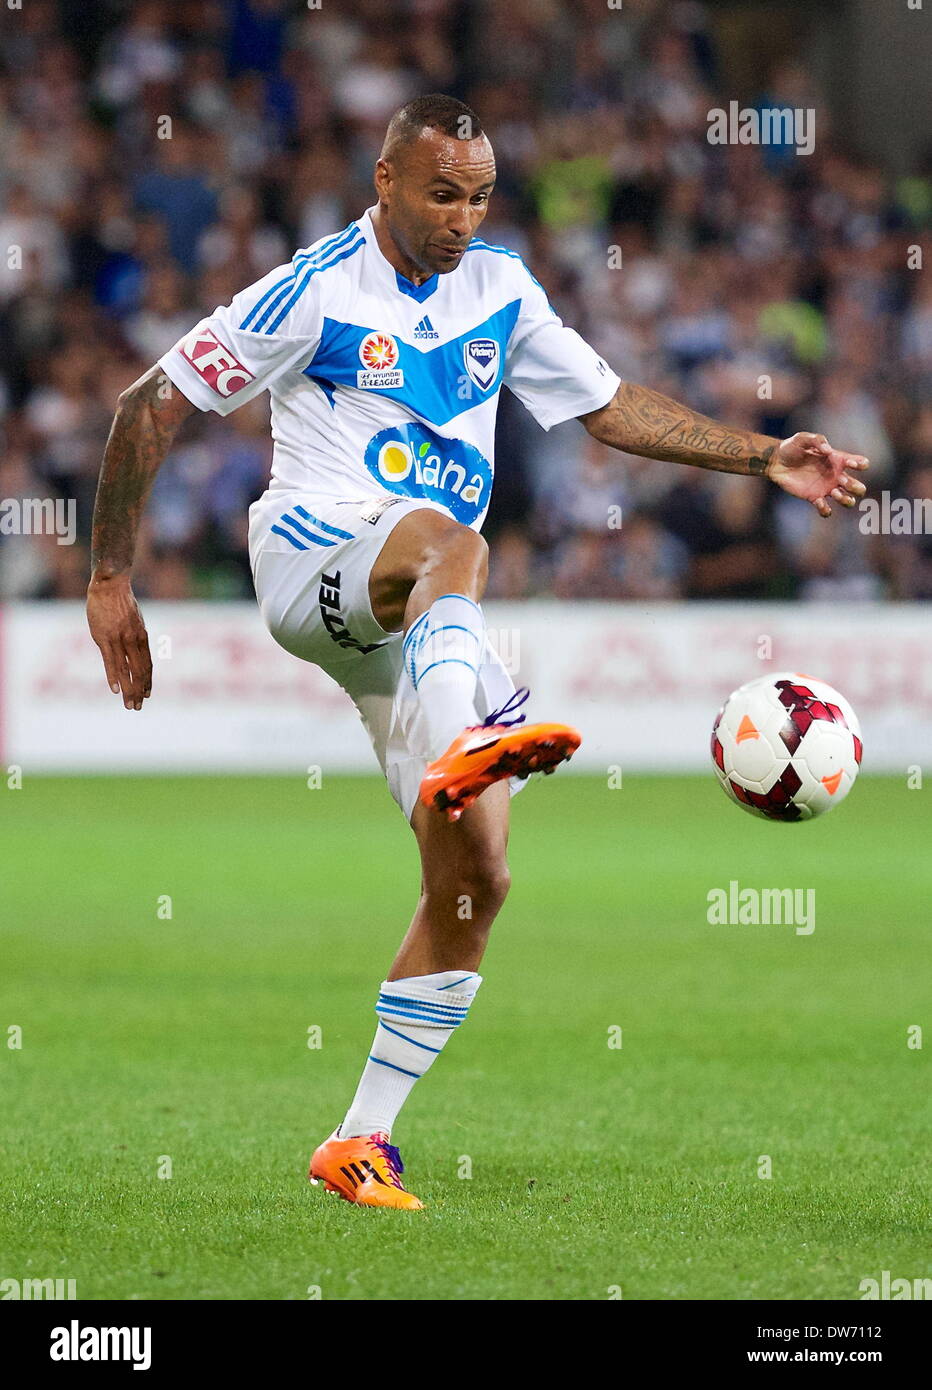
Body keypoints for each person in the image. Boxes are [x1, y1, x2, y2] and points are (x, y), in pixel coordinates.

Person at [86, 95, 868, 1211]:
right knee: (448, 536)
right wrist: (110, 577)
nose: (461, 216)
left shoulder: (500, 288)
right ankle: (464, 741)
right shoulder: (313, 287)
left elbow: (607, 409)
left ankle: (358, 1141)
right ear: (386, 181)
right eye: (440, 193)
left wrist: (761, 457)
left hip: (416, 621)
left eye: (478, 195)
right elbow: (148, 402)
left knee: (478, 880)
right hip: (317, 559)